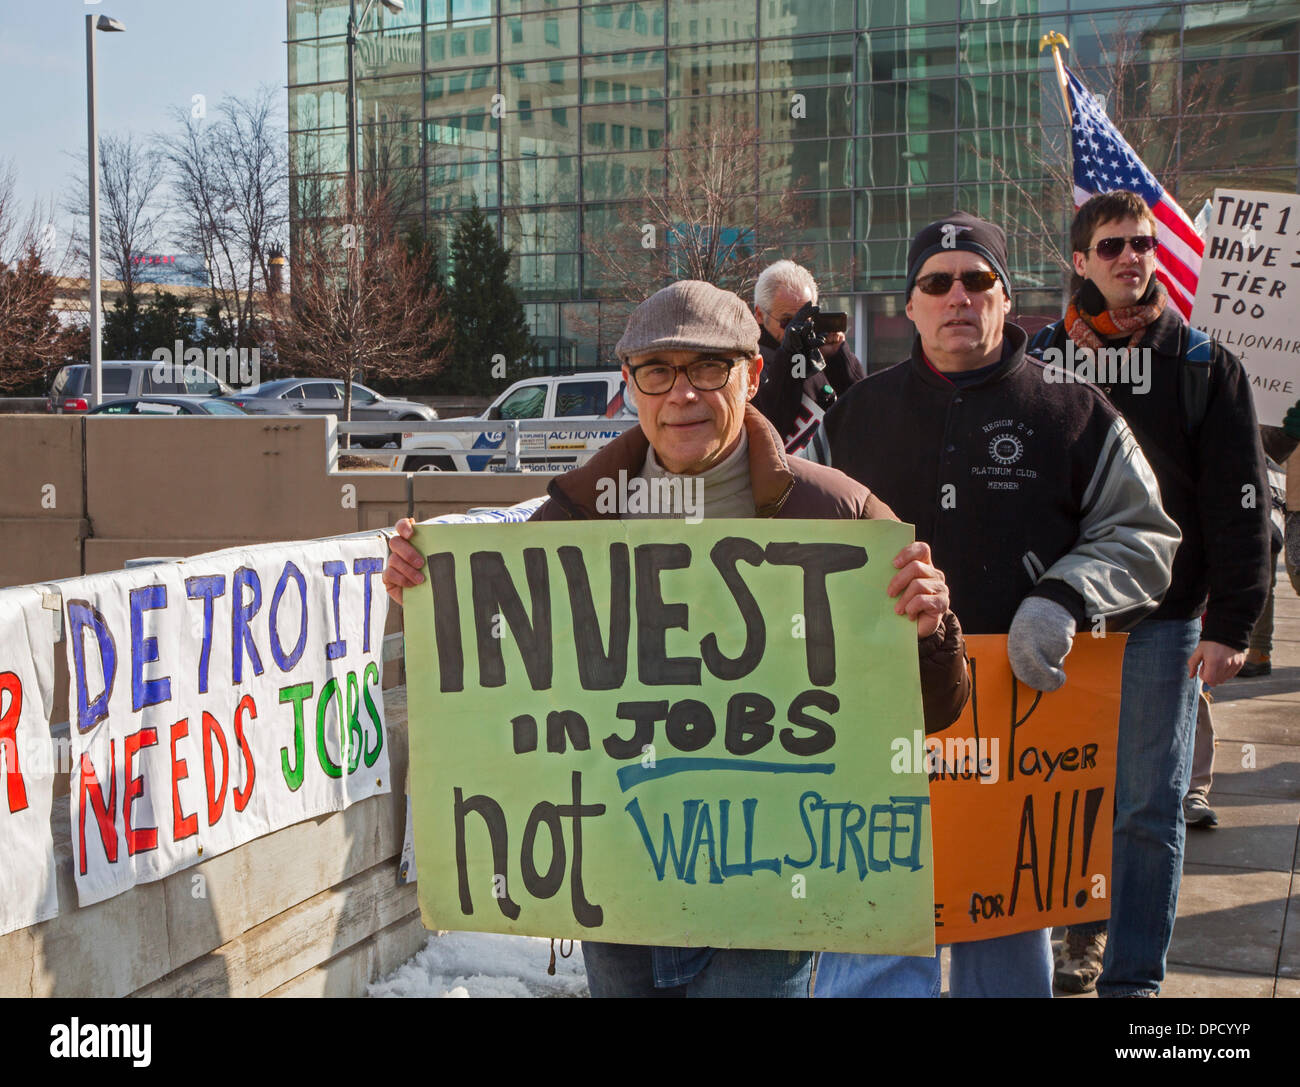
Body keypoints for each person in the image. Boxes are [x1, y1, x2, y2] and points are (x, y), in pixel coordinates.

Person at [382, 279, 972, 998]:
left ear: (753, 376)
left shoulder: (840, 515)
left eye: (707, 368)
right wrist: (428, 582)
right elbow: (500, 663)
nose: (681, 394)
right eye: (657, 372)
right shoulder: (577, 515)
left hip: (770, 883)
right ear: (630, 385)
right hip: (617, 874)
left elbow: (935, 711)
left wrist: (931, 627)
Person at [814, 211, 1181, 998]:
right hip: (879, 712)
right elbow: (781, 531)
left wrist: (1064, 597)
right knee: (878, 930)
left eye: (978, 280)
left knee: (1007, 945)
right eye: (936, 282)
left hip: (1019, 724)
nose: (958, 297)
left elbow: (1146, 534)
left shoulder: (1075, 412)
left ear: (1007, 298)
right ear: (908, 304)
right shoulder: (851, 418)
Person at [1038, 191, 1271, 998]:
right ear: (1080, 261)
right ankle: (1074, 938)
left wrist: (1233, 623)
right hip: (1057, 623)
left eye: (1141, 243)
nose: (1131, 256)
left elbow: (1241, 505)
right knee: (1057, 792)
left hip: (1164, 623)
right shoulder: (1039, 360)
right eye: (1111, 246)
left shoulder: (1205, 365)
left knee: (1145, 807)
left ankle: (1131, 980)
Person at [751, 259, 865, 455]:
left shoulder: (818, 354)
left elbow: (864, 413)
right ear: (760, 315)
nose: (798, 329)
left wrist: (838, 357)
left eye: (805, 320)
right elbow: (767, 427)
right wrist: (789, 355)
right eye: (788, 321)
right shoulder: (747, 363)